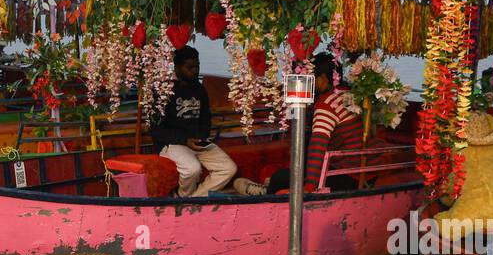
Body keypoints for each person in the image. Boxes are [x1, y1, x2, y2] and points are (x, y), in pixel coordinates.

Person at [234, 53, 362, 196]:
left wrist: (310, 186)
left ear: (324, 79)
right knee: (289, 171)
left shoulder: (327, 105)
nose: (310, 83)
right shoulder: (347, 94)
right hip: (352, 168)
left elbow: (317, 148)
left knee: (281, 176)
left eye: (313, 78)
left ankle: (265, 192)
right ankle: (270, 186)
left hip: (342, 175)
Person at [151, 45, 237, 197]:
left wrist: (202, 137)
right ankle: (185, 199)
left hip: (197, 142)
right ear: (177, 68)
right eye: (189, 67)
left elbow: (205, 117)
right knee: (192, 169)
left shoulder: (199, 88)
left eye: (197, 66)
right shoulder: (164, 90)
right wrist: (185, 140)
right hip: (172, 144)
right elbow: (156, 129)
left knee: (228, 168)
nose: (195, 70)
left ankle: (189, 200)